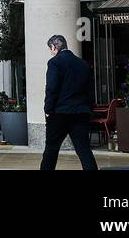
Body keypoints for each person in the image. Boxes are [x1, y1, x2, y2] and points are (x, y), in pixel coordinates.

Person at [40, 34, 99, 171]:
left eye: (51, 49)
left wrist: (48, 110)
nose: (51, 52)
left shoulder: (54, 62)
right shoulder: (83, 64)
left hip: (59, 113)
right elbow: (90, 90)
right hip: (81, 113)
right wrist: (89, 109)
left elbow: (51, 88)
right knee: (84, 150)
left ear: (54, 47)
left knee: (51, 150)